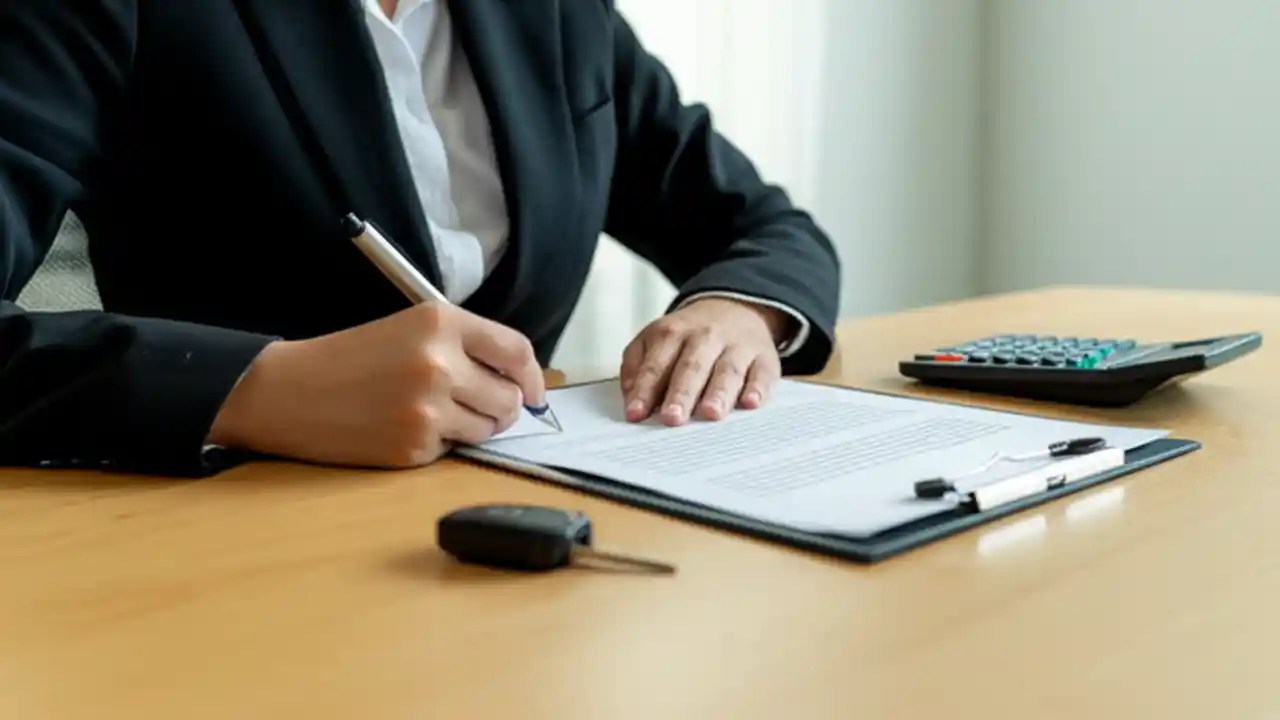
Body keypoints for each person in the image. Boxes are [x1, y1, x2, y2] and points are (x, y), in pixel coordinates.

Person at [0, 0, 840, 476]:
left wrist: (739, 309)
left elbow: (767, 225)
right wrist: (258, 388)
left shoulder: (557, 14)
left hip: (521, 550)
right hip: (225, 556)